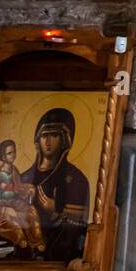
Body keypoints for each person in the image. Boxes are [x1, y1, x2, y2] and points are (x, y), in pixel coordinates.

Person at [19, 109, 91, 262]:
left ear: (65, 139)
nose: (48, 141)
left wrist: (56, 213)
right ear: (38, 140)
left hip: (57, 262)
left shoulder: (77, 180)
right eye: (44, 136)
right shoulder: (23, 178)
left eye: (54, 135)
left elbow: (78, 231)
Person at [0, 139, 45, 252]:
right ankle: (21, 240)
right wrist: (0, 188)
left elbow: (18, 188)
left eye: (14, 151)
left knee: (31, 211)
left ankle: (36, 241)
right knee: (13, 215)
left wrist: (27, 189)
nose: (13, 155)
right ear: (3, 157)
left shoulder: (14, 170)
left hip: (13, 202)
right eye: (9, 153)